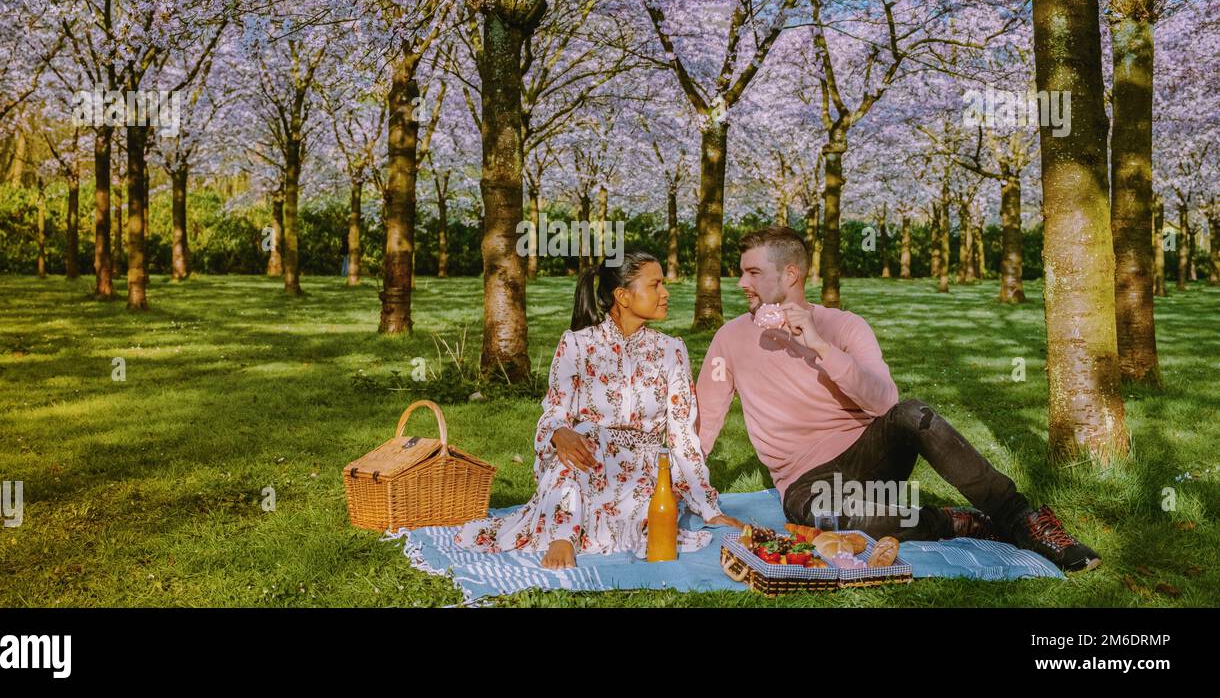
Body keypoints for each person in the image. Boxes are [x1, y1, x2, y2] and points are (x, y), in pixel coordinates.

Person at [694, 226, 1101, 572]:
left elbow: (885, 402)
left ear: (790, 274)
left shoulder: (844, 326)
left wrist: (820, 346)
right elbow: (705, 417)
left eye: (752, 272)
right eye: (742, 272)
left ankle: (1021, 519)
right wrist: (683, 484)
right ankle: (956, 522)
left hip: (870, 458)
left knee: (912, 413)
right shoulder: (730, 338)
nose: (741, 283)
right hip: (806, 482)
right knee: (826, 517)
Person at [453, 248, 745, 569]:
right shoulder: (576, 345)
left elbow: (683, 436)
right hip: (586, 461)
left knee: (652, 522)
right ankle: (563, 536)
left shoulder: (671, 350)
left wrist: (708, 509)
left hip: (642, 472)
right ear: (623, 296)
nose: (665, 293)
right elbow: (554, 413)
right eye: (655, 285)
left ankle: (601, 527)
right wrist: (558, 433)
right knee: (574, 451)